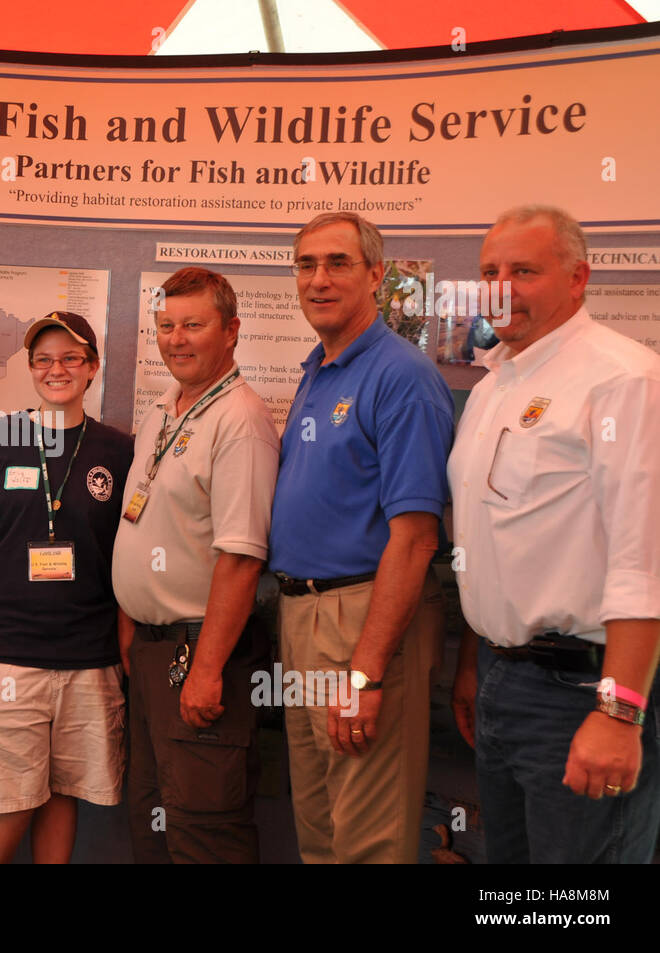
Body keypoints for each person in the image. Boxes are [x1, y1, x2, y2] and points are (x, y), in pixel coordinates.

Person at [449, 205, 660, 863]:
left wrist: (620, 711)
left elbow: (643, 558)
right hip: (501, 679)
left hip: (582, 692)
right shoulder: (494, 384)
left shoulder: (623, 378)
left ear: (578, 279)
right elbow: (486, 542)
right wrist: (473, 665)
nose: (502, 286)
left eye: (524, 270)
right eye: (490, 271)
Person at [269, 212, 454, 864]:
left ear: (376, 274)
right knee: (321, 834)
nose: (318, 279)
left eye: (338, 263)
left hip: (362, 621)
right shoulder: (319, 370)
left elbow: (415, 540)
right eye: (306, 264)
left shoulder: (401, 376)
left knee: (370, 842)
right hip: (301, 615)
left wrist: (365, 674)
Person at [112, 267, 279, 863]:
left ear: (231, 331)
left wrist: (206, 668)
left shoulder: (240, 422)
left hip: (201, 655)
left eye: (193, 325)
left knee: (204, 830)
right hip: (156, 652)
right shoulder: (164, 410)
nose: (176, 339)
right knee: (156, 821)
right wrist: (133, 617)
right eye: (166, 326)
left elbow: (240, 559)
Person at [0, 312, 133, 863]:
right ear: (30, 367)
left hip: (87, 656)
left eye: (71, 358)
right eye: (44, 359)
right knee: (5, 806)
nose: (57, 369)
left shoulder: (118, 451)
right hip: (5, 655)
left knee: (63, 796)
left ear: (93, 368)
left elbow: (126, 557)